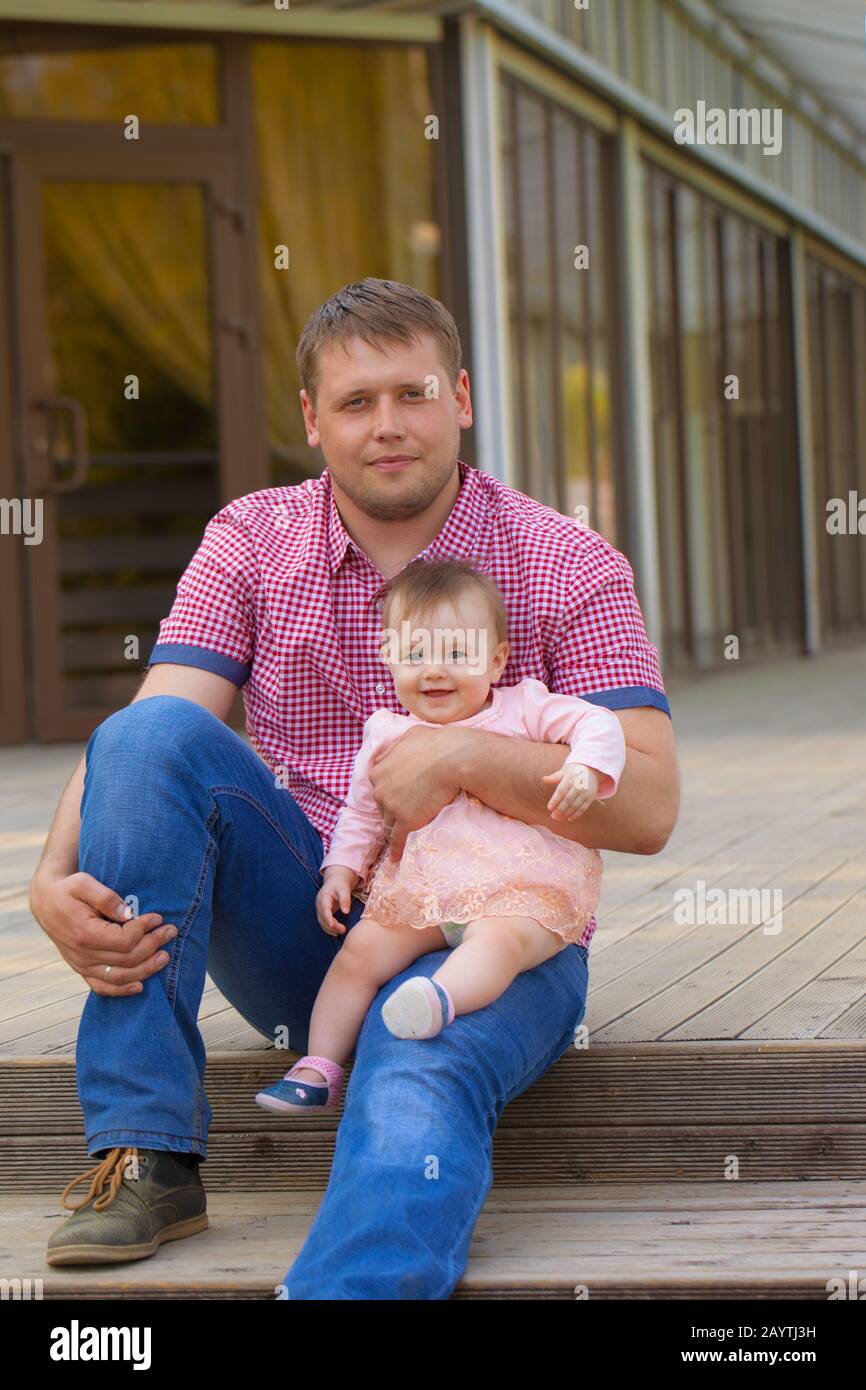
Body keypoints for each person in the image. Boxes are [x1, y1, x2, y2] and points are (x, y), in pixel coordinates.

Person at [29, 276, 679, 1297]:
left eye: (412, 393)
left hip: (495, 938)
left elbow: (646, 807)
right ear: (310, 418)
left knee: (414, 1072)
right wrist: (48, 873)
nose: (388, 425)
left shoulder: (565, 562)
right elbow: (155, 725)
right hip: (316, 923)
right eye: (355, 402)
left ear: (460, 397)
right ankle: (147, 1151)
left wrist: (465, 757)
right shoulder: (250, 538)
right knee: (150, 733)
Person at [255, 558, 627, 1113]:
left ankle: (441, 998)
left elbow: (598, 722)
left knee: (497, 942)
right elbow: (361, 812)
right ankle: (320, 1066)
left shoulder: (522, 708)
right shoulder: (387, 732)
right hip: (424, 893)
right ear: (389, 658)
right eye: (416, 655)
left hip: (518, 888)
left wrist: (585, 768)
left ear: (496, 659)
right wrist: (340, 870)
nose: (435, 671)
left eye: (458, 654)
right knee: (358, 953)